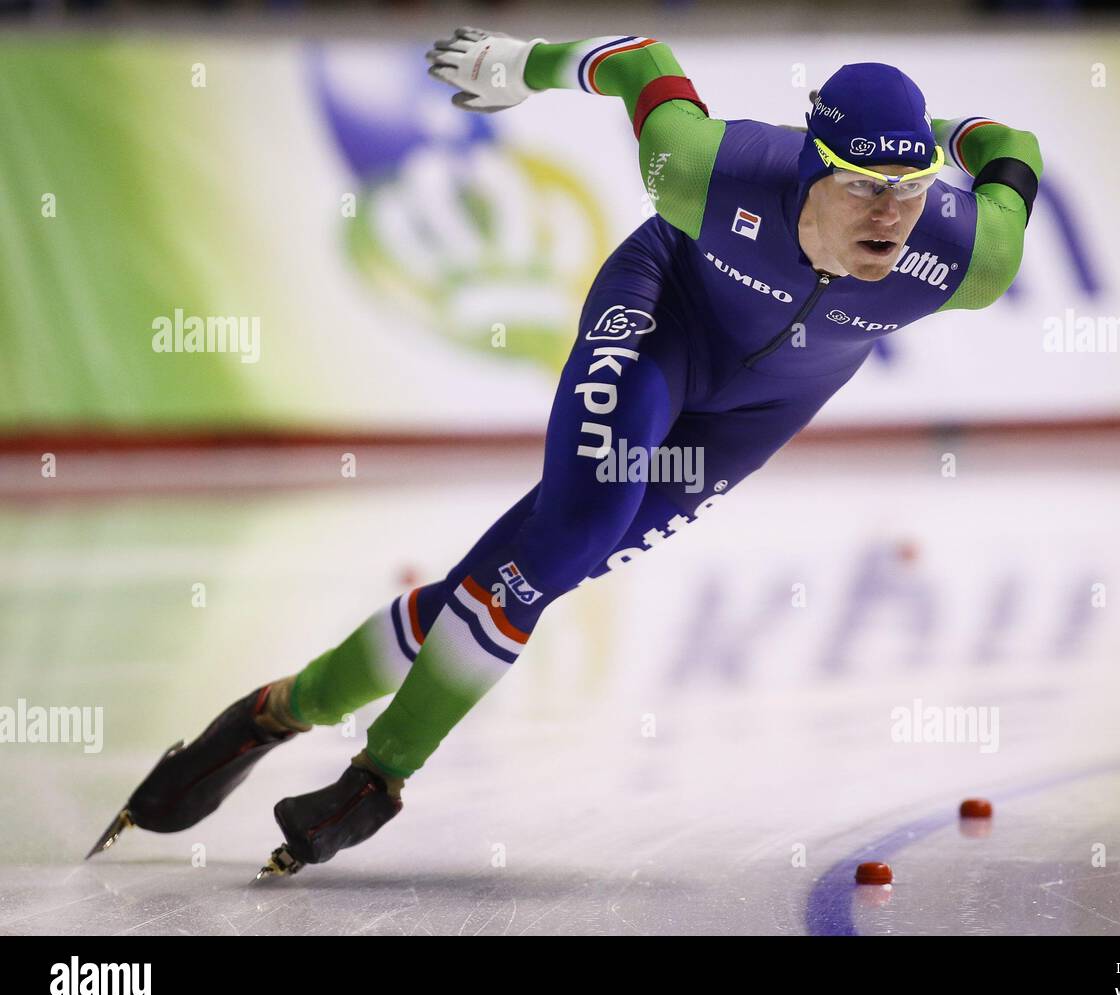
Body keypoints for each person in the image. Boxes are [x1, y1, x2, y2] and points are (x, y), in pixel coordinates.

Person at [88, 27, 1042, 877]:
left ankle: (275, 712)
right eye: (864, 186)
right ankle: (377, 780)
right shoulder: (706, 169)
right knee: (577, 525)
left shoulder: (966, 258)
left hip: (758, 409)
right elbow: (638, 59)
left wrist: (951, 135)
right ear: (806, 166)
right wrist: (516, 67)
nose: (890, 215)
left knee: (523, 574)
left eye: (910, 189)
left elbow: (1016, 150)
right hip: (659, 314)